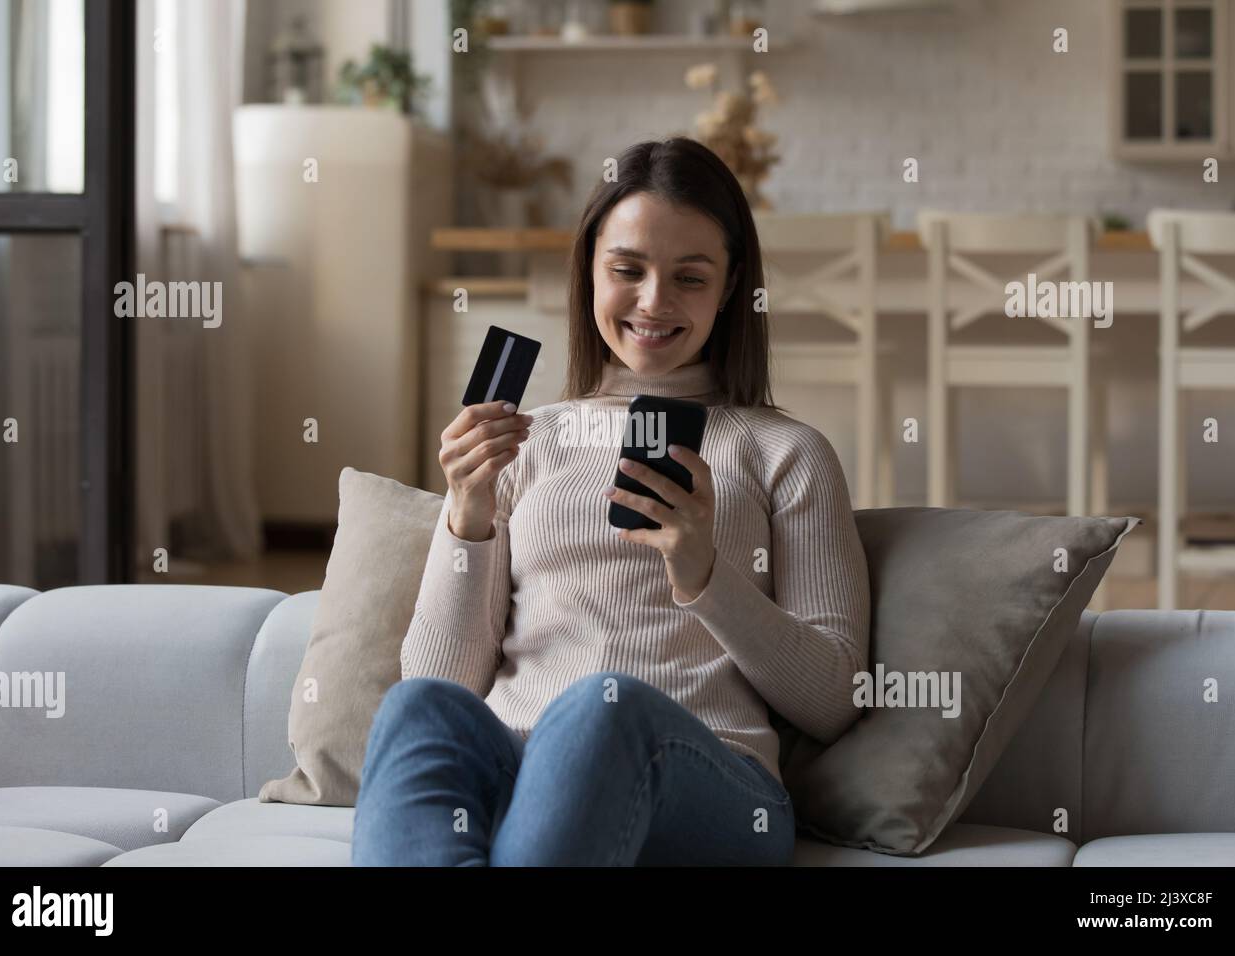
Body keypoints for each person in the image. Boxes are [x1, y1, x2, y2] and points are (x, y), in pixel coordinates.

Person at [352, 137, 871, 866]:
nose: (654, 302)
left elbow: (835, 696)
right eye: (627, 270)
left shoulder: (785, 452)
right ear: (589, 273)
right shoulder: (525, 440)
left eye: (690, 278)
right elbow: (442, 684)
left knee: (603, 708)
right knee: (414, 709)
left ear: (729, 290)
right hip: (518, 770)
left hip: (709, 784)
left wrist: (702, 573)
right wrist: (466, 513)